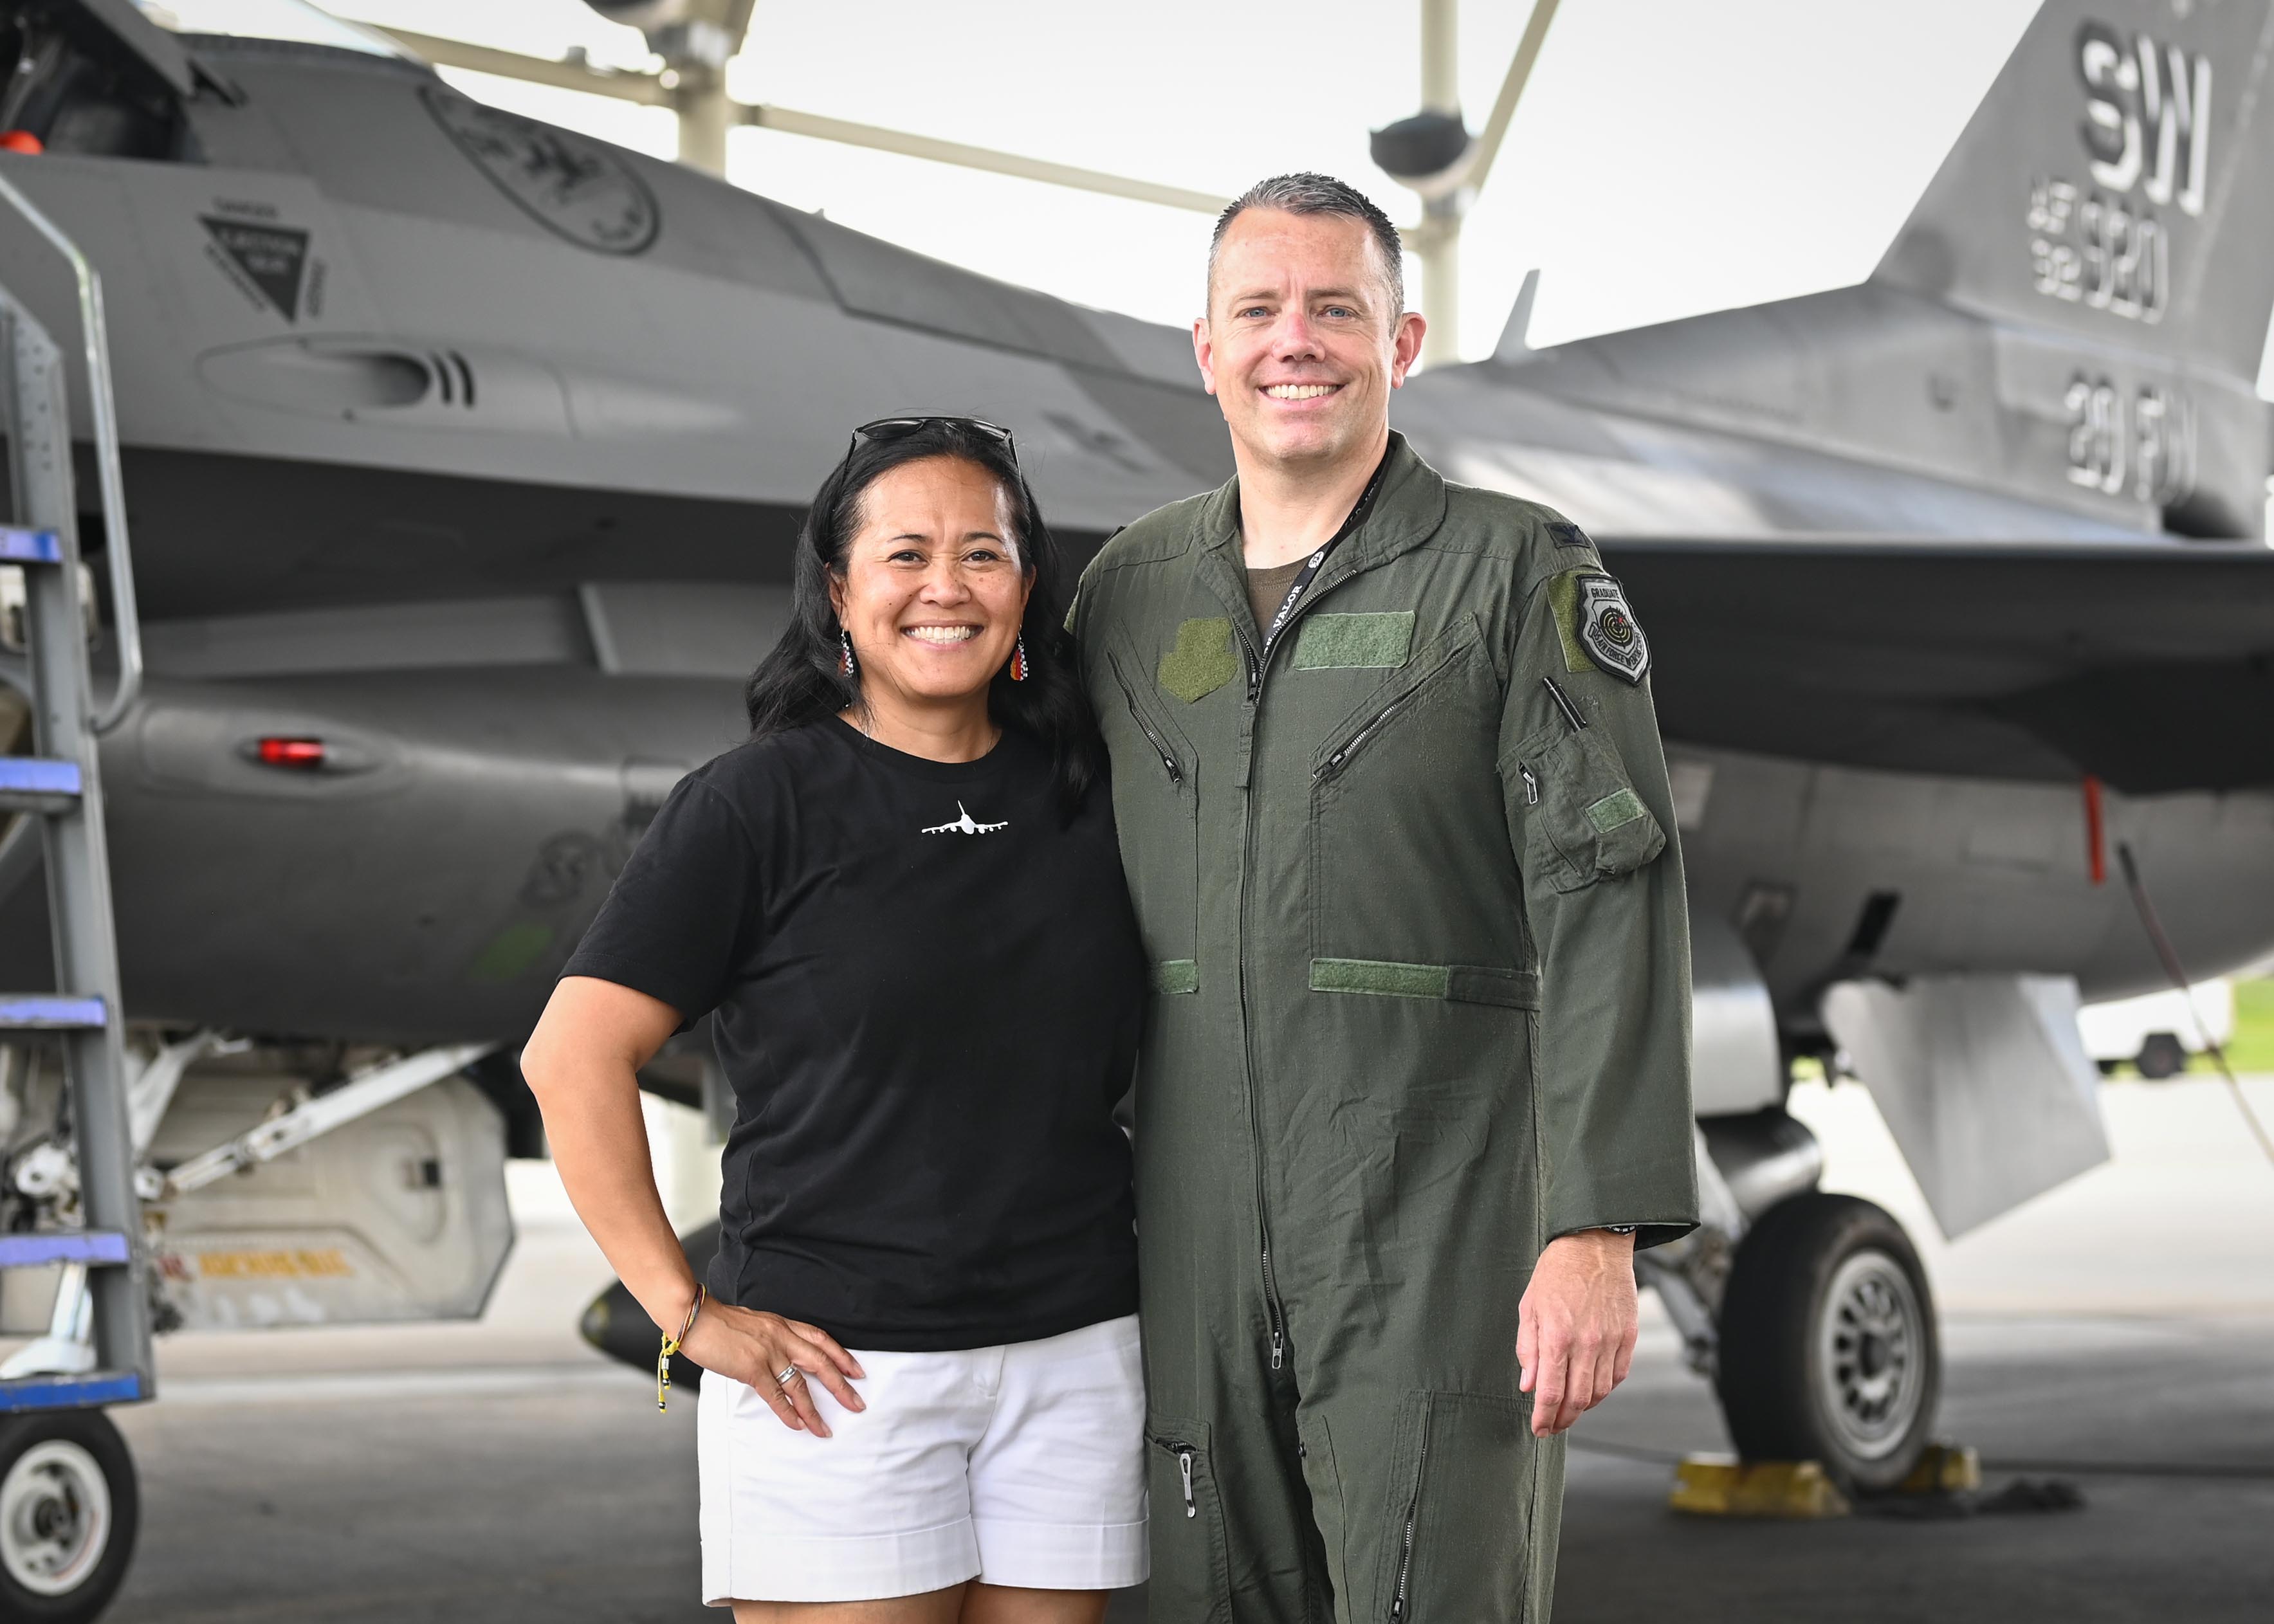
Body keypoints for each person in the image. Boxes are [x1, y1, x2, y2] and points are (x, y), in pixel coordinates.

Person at [1066, 174, 1699, 1622]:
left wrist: (1593, 1230)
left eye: (1336, 310)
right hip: (1189, 1241)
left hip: (1438, 1235)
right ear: (1205, 349)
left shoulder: (1512, 576)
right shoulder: (1127, 594)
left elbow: (1610, 888)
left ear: (1401, 343)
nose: (1298, 342)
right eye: (1260, 312)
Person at [522, 417, 1150, 1624]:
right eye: (906, 553)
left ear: (1028, 587)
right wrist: (682, 1308)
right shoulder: (758, 801)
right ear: (839, 590)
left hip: (1073, 1351)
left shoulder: (1091, 794)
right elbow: (572, 1057)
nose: (946, 588)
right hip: (839, 1371)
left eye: (985, 553)